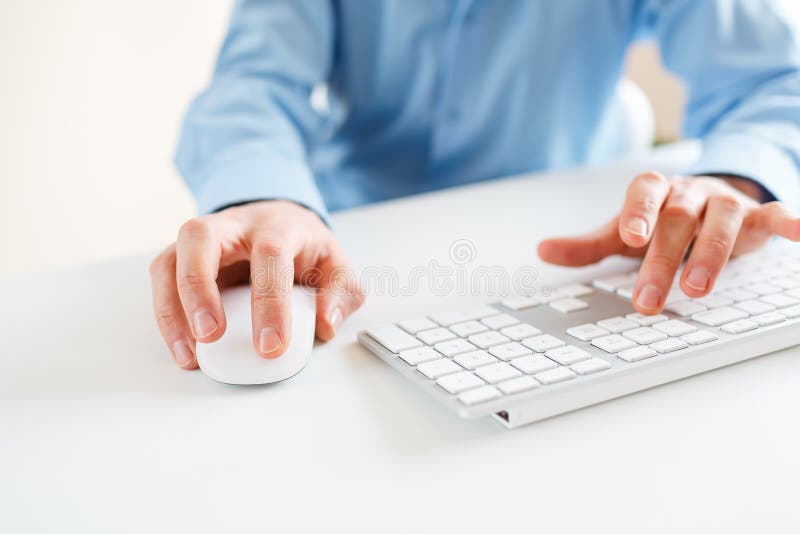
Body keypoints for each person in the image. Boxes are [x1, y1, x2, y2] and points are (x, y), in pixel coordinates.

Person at [150, 0, 800, 370]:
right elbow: (250, 87)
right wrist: (263, 197)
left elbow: (773, 79)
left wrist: (735, 178)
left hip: (575, 252)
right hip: (358, 244)